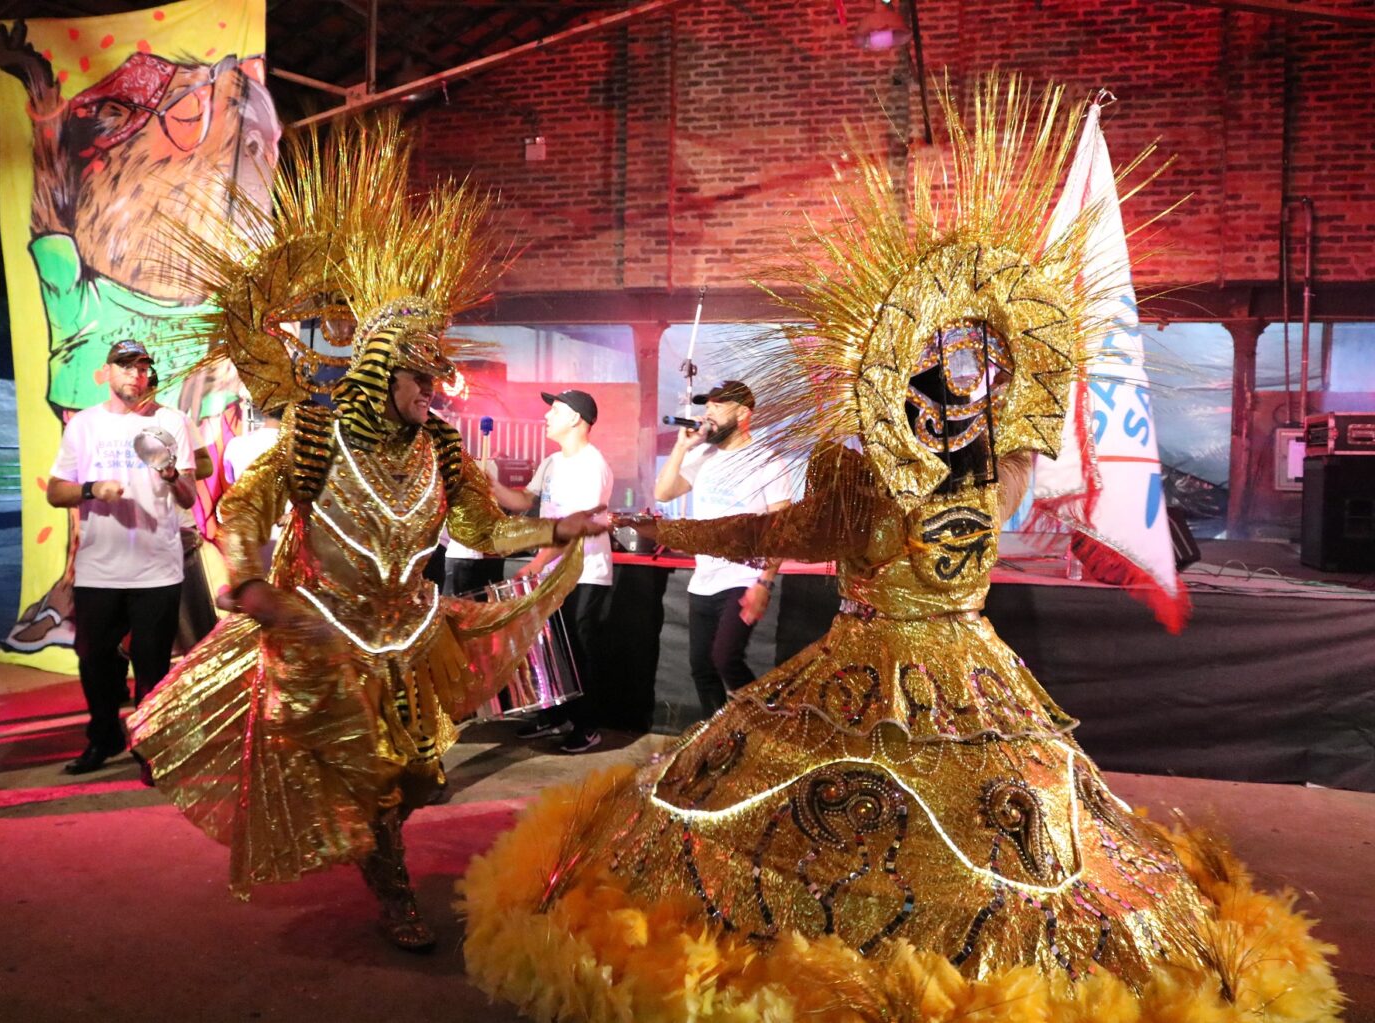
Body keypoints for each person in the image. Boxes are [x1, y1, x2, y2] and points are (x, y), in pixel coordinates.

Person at [459, 81, 1343, 1019]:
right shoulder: (899, 470)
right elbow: (773, 530)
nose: (956, 398)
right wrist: (652, 524)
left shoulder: (982, 468)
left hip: (965, 684)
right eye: (945, 379)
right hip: (882, 673)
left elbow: (816, 521)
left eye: (967, 383)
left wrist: (1035, 389)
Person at [130, 119, 609, 951]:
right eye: (425, 376)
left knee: (412, 773)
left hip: (411, 639)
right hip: (328, 635)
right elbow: (248, 499)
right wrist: (247, 578)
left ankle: (379, 845)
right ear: (387, 370)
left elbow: (481, 525)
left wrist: (563, 523)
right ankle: (390, 884)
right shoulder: (319, 434)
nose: (437, 390)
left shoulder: (442, 447)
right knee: (370, 777)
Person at [46, 339, 197, 783]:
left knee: (152, 664)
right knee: (95, 662)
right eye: (125, 365)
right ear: (107, 372)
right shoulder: (84, 426)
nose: (135, 373)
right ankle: (104, 736)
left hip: (157, 567)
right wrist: (93, 489)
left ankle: (150, 744)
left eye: (143, 366)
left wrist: (170, 474)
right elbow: (56, 491)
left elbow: (188, 494)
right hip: (100, 568)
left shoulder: (172, 422)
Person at [653, 380, 790, 717]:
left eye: (717, 405)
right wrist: (682, 448)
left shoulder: (767, 461)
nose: (708, 412)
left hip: (743, 577)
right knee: (702, 667)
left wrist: (765, 582)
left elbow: (782, 529)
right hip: (704, 580)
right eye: (707, 406)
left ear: (743, 413)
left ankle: (765, 724)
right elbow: (663, 493)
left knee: (725, 657)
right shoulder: (703, 456)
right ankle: (717, 743)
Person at [489, 390, 613, 753]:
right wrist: (491, 485)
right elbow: (523, 502)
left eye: (555, 411)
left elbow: (574, 528)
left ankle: (588, 726)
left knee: (578, 650)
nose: (546, 417)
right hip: (553, 574)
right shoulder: (552, 462)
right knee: (553, 648)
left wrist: (537, 563)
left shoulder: (592, 465)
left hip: (584, 572)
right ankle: (557, 716)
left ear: (576, 419)